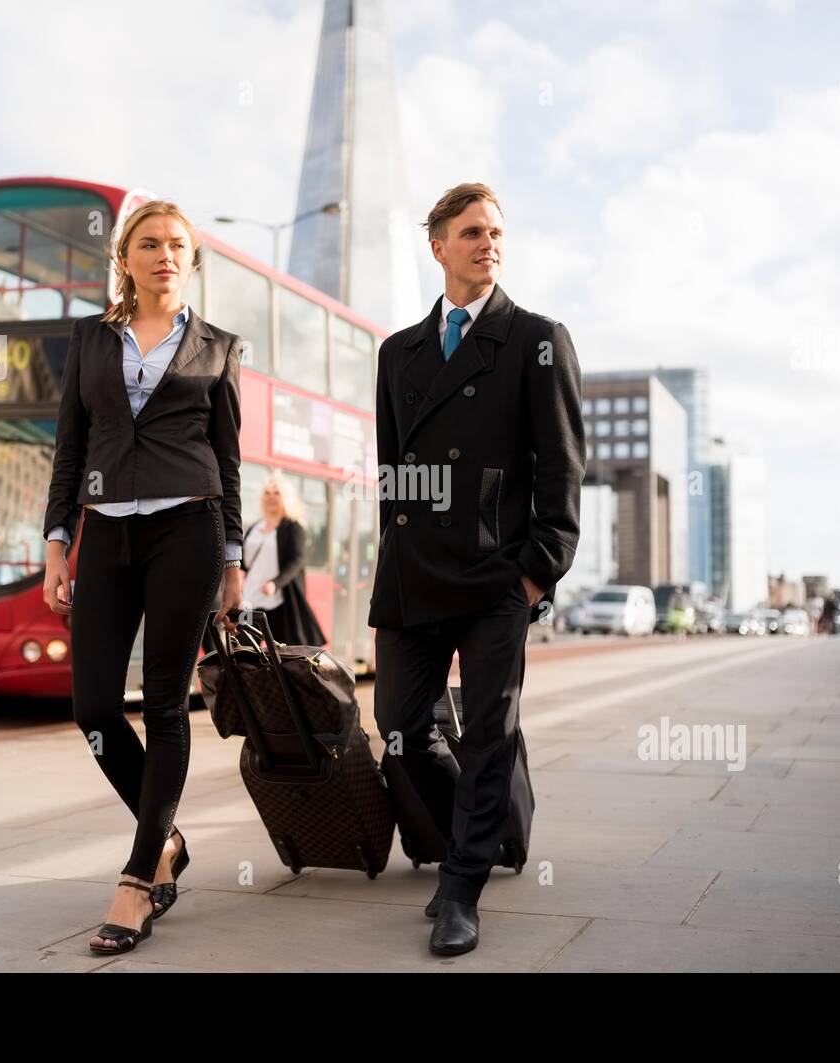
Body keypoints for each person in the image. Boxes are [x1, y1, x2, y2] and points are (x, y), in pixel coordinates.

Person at [369, 182, 584, 956]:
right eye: (470, 232)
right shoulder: (399, 352)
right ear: (438, 247)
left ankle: (460, 885)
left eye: (496, 231)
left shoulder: (536, 338)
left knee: (490, 730)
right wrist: (389, 566)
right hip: (413, 576)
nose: (487, 242)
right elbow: (394, 470)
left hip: (496, 575)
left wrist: (536, 572)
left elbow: (562, 468)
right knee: (397, 725)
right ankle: (492, 827)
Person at [41, 199, 244, 956]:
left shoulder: (219, 348)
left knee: (164, 703)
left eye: (178, 246)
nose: (165, 255)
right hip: (107, 531)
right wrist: (58, 540)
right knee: (92, 705)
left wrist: (233, 560)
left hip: (186, 529)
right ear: (124, 257)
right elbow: (69, 444)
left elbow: (228, 463)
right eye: (150, 243)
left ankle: (137, 876)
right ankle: (166, 838)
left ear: (190, 261)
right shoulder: (91, 341)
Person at [239, 471, 326, 646]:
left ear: (285, 497)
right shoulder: (255, 527)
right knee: (244, 650)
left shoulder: (293, 526)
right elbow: (244, 560)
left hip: (277, 601)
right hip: (248, 599)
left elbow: (297, 560)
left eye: (276, 493)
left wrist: (275, 583)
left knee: (280, 653)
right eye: (267, 493)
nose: (271, 497)